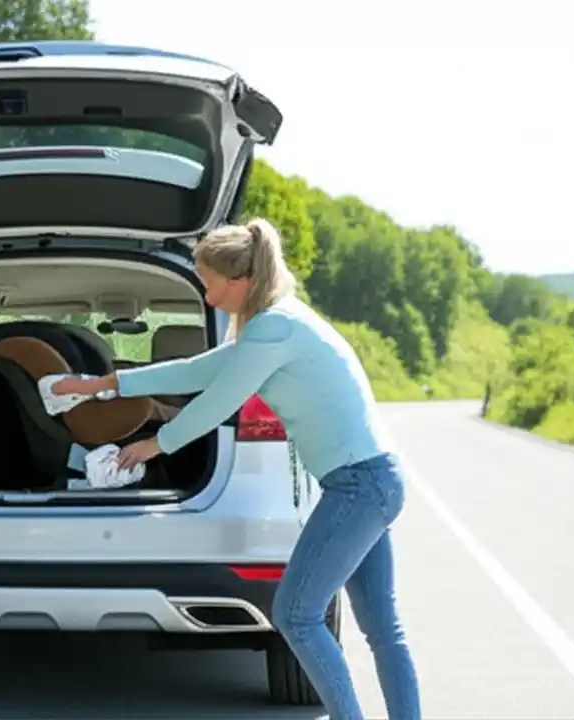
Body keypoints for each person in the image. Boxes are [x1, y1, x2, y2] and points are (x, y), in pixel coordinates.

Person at [51, 218, 421, 720]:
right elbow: (195, 370)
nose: (205, 295)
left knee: (296, 614)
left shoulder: (274, 328)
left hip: (359, 485)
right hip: (371, 479)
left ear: (240, 280)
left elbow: (216, 400)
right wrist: (100, 385)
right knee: (381, 628)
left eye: (208, 282)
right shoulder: (276, 323)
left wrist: (153, 445)